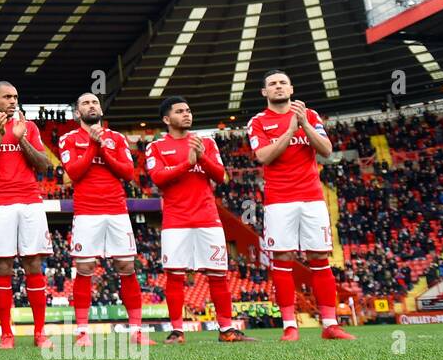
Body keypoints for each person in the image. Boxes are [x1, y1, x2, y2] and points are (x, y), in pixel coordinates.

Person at [248, 69, 354, 341]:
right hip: (279, 200)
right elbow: (264, 157)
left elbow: (327, 151)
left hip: (312, 198)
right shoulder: (257, 122)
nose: (278, 87)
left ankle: (330, 325)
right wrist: (290, 131)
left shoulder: (312, 116)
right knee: (282, 258)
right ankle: (289, 326)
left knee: (319, 258)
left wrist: (304, 124)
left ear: (291, 88)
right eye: (272, 84)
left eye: (283, 82)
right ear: (265, 92)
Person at [146, 96, 252, 343]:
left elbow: (220, 176)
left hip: (207, 217)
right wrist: (187, 163)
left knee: (217, 274)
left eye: (188, 110)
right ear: (166, 119)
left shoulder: (206, 142)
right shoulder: (157, 147)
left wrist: (202, 157)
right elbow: (158, 178)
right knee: (175, 275)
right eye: (180, 111)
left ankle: (226, 330)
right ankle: (177, 331)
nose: (186, 114)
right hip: (176, 220)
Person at [58, 91, 152, 346]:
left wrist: (103, 148)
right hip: (87, 213)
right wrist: (93, 145)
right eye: (86, 103)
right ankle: (82, 333)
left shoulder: (117, 138)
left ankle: (136, 331)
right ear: (77, 113)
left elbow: (127, 171)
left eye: (95, 102)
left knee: (127, 267)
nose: (91, 106)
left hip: (117, 211)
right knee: (85, 269)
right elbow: (75, 173)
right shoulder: (69, 139)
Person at [0, 80, 53, 349]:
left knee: (33, 264)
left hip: (30, 200)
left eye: (15, 96)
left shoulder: (29, 127)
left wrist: (22, 139)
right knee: (2, 266)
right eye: (7, 97)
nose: (13, 101)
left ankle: (40, 333)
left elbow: (43, 165)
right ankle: (6, 333)